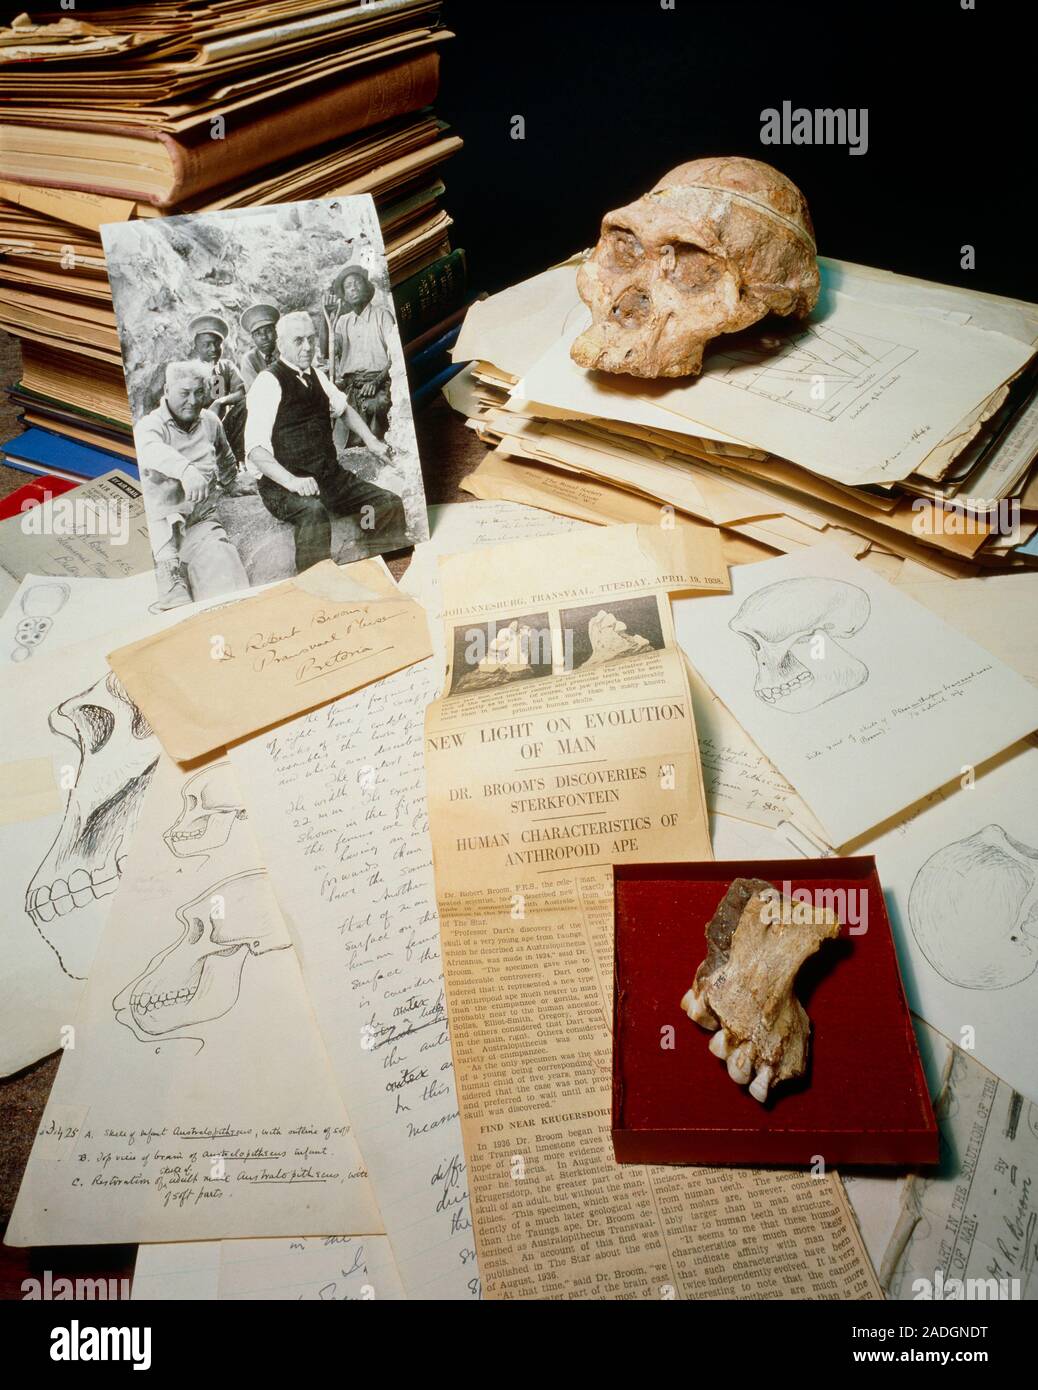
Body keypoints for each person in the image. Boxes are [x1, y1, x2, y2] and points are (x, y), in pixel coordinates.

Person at [244, 310, 407, 574]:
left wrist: (371, 441)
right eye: (299, 341)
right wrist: (292, 482)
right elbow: (254, 449)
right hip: (283, 486)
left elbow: (343, 409)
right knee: (314, 514)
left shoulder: (316, 376)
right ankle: (315, 587)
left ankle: (385, 568)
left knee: (386, 504)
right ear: (281, 343)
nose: (308, 347)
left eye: (311, 338)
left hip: (328, 476)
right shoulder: (268, 382)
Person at [133, 360, 250, 609]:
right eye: (184, 393)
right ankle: (170, 574)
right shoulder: (150, 426)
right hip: (164, 526)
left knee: (227, 585)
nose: (193, 400)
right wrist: (186, 471)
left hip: (200, 521)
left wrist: (230, 482)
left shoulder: (209, 421)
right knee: (175, 603)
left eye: (199, 392)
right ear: (167, 391)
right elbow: (149, 449)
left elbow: (224, 453)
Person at [326, 265, 394, 441]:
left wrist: (376, 381)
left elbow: (396, 357)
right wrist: (326, 317)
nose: (353, 288)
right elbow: (329, 350)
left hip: (378, 380)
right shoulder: (342, 322)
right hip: (350, 385)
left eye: (357, 283)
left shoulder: (382, 316)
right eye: (348, 286)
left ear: (367, 287)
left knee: (376, 405)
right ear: (345, 296)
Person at [189, 312, 246, 458]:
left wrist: (220, 401)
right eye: (206, 345)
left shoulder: (225, 367)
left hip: (223, 427)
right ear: (195, 348)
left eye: (216, 344)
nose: (213, 349)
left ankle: (239, 458)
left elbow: (241, 392)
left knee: (246, 405)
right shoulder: (187, 372)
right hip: (195, 432)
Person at [238, 302, 280, 389]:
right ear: (253, 338)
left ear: (276, 332)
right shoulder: (249, 359)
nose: (264, 337)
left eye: (268, 331)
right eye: (258, 334)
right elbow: (254, 392)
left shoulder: (286, 352)